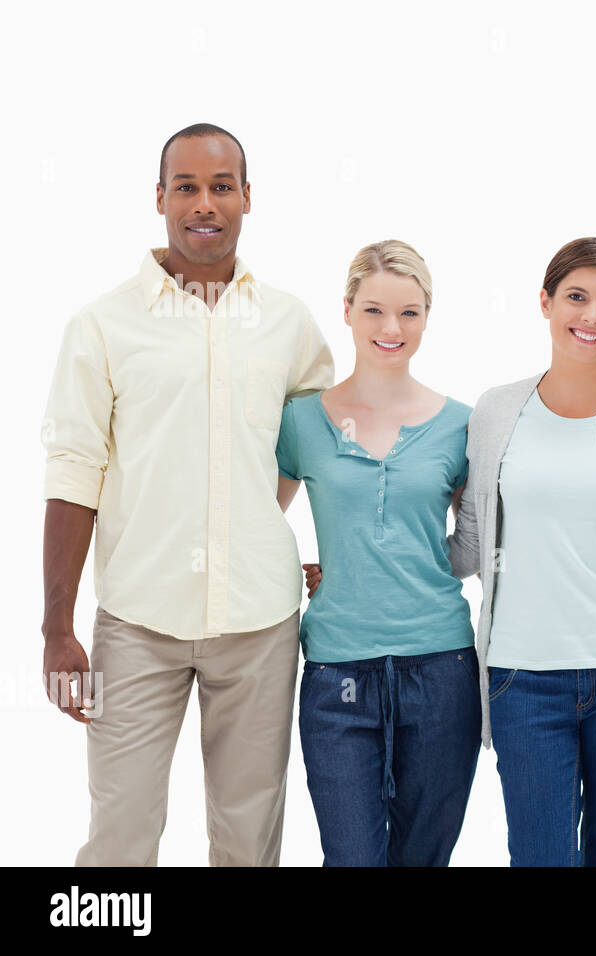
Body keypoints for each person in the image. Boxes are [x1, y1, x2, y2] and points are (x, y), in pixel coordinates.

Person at [40, 123, 333, 866]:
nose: (206, 204)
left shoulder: (289, 323)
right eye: (188, 187)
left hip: (260, 623)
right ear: (161, 198)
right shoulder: (103, 325)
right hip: (135, 622)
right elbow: (74, 470)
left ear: (246, 197)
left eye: (221, 186)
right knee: (120, 837)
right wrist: (56, 627)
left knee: (248, 838)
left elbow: (320, 446)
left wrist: (253, 526)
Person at [448, 237, 596, 866]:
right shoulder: (497, 411)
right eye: (576, 297)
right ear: (546, 301)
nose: (591, 316)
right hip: (523, 678)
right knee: (540, 855)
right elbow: (469, 546)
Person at [279, 240, 480, 866]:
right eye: (373, 311)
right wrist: (311, 571)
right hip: (337, 674)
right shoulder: (302, 421)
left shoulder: (461, 425)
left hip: (441, 670)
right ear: (346, 311)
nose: (391, 329)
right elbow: (251, 524)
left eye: (409, 313)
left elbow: (470, 548)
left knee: (423, 860)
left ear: (427, 316)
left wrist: (397, 565)